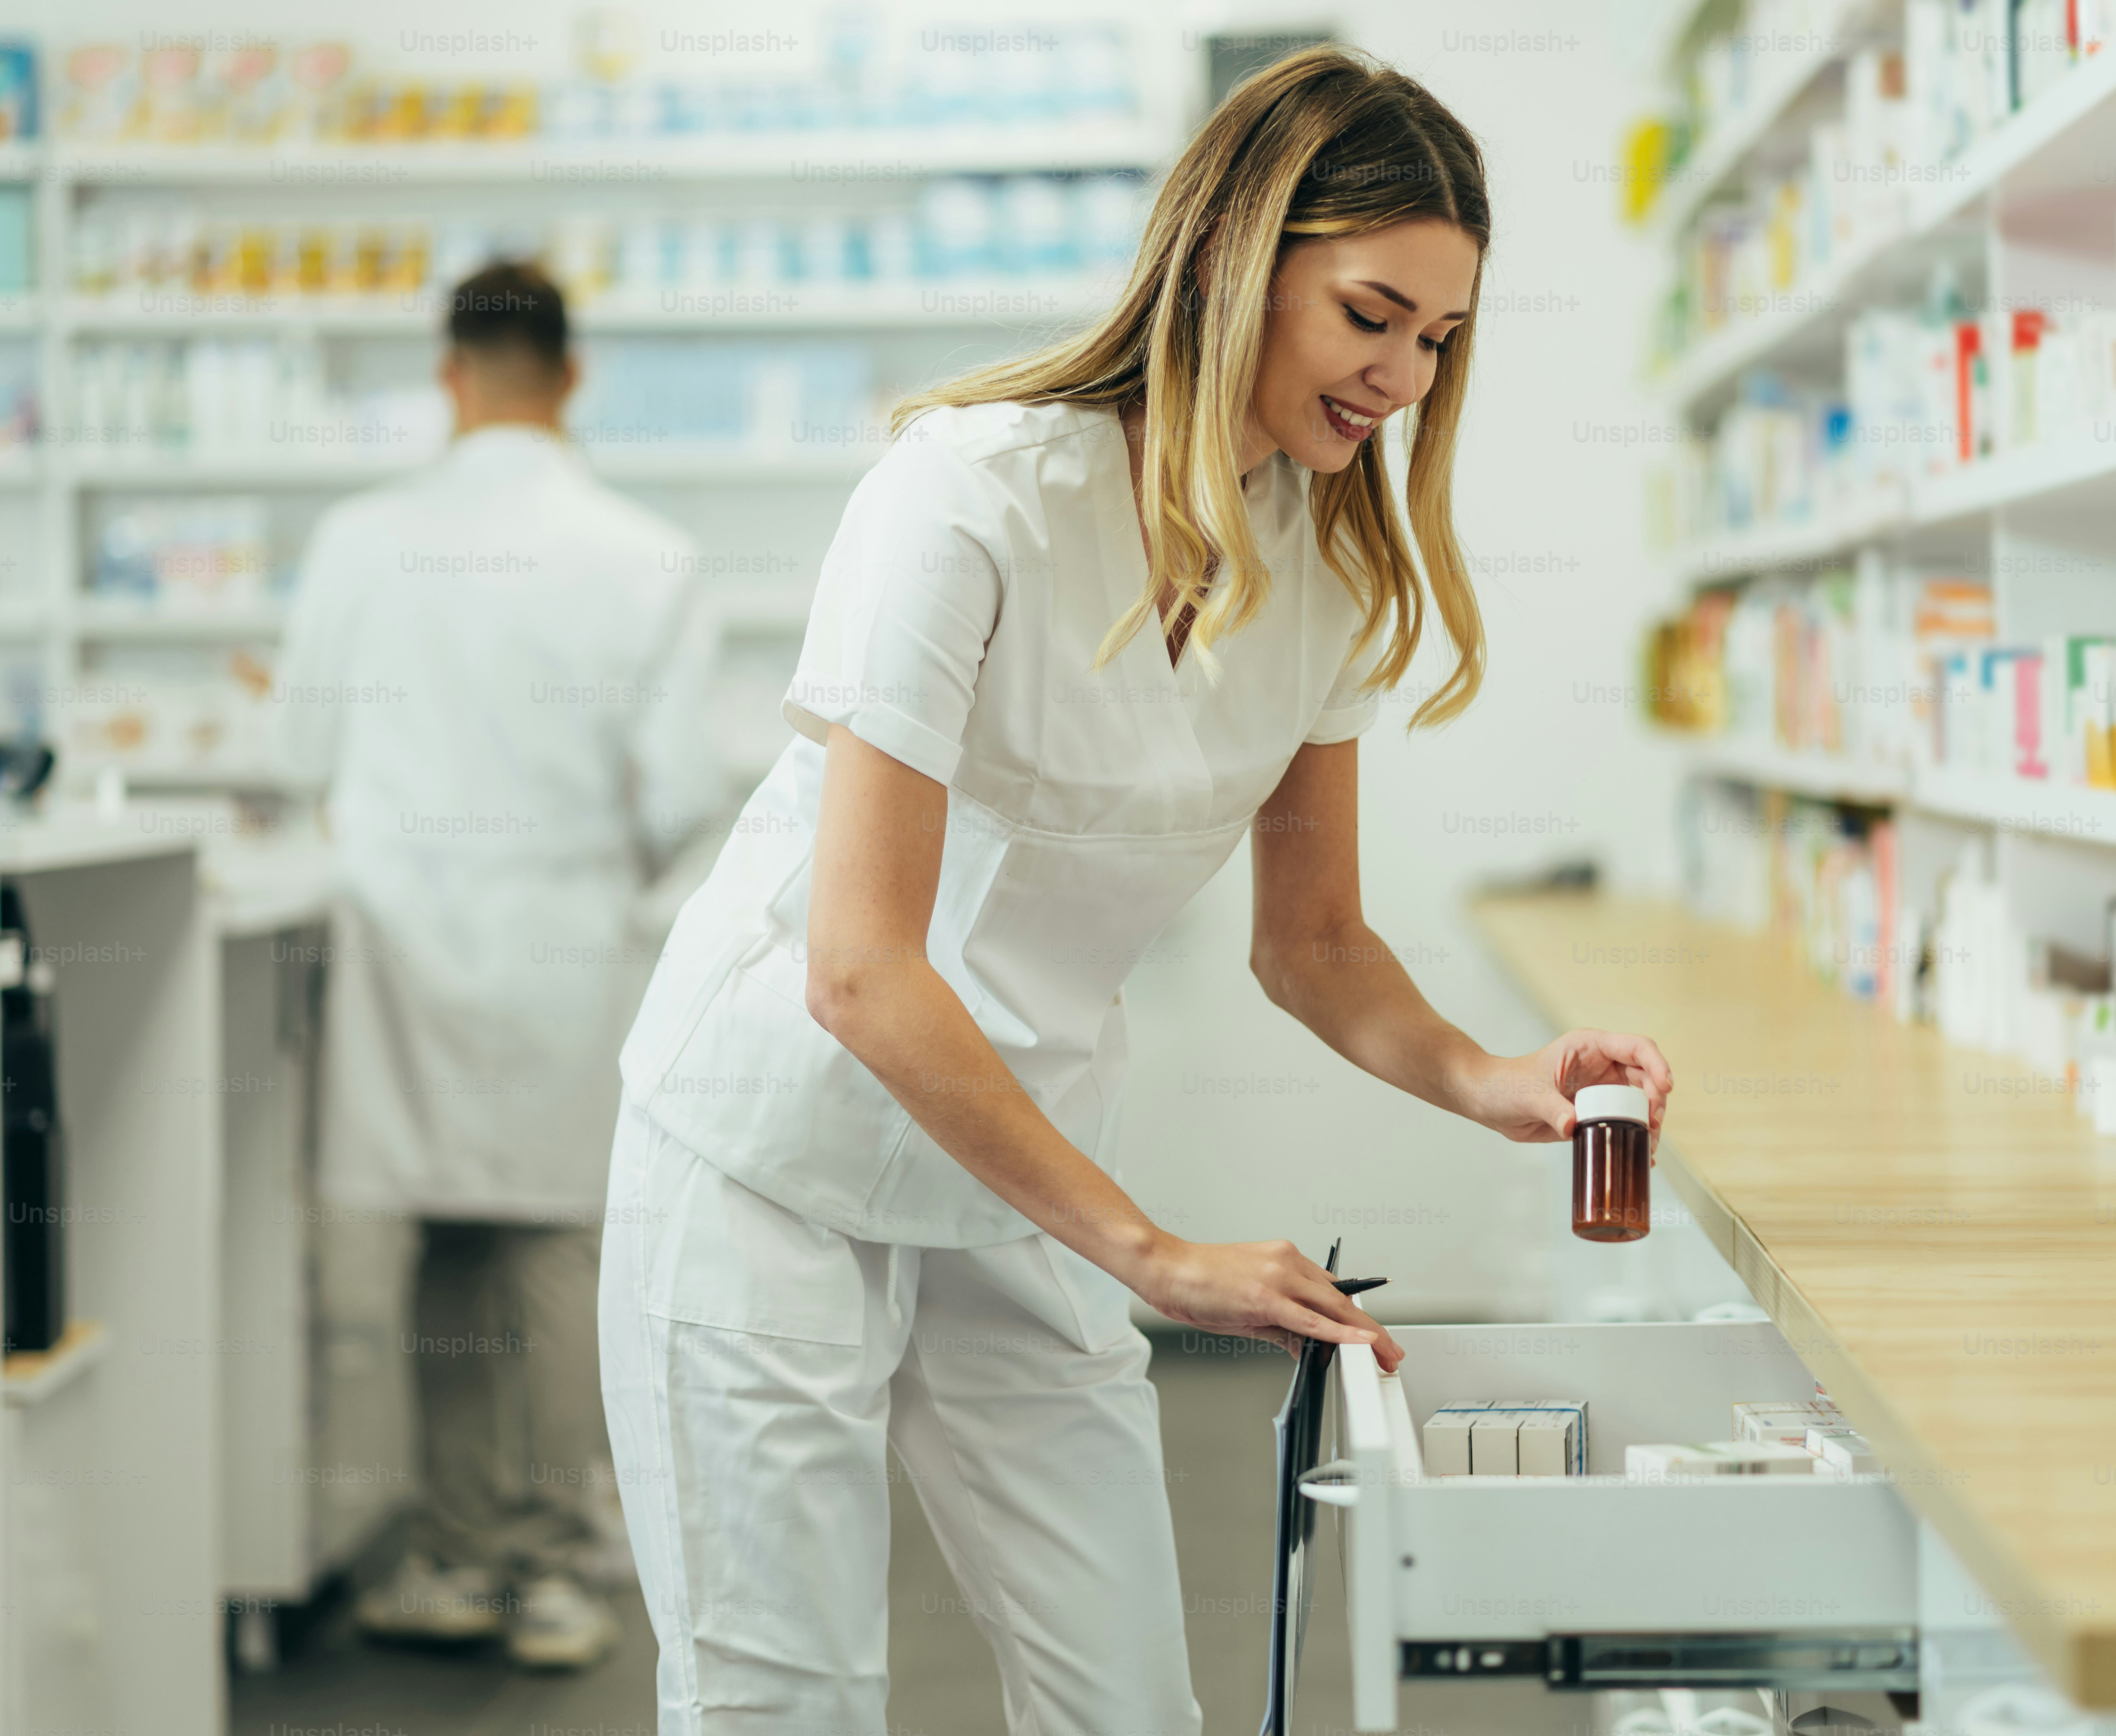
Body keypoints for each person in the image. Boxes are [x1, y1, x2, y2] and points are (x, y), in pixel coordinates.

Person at [600, 45, 1675, 1733]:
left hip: (1014, 1165)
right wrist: (1151, 1253)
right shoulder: (964, 497)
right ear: (1244, 257)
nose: (1401, 376)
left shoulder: (1331, 566)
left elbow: (1313, 940)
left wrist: (1494, 1082)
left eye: (1438, 341)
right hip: (772, 1154)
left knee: (1127, 1700)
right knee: (779, 1698)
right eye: (1371, 314)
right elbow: (862, 971)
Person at [275, 260, 718, 1671]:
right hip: (561, 941)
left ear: (446, 374)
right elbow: (679, 790)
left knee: (444, 1244)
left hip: (407, 935)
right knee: (550, 1244)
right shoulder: (646, 551)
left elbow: (296, 754)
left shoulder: (361, 540)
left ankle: (461, 1553)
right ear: (571, 375)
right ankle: (555, 1566)